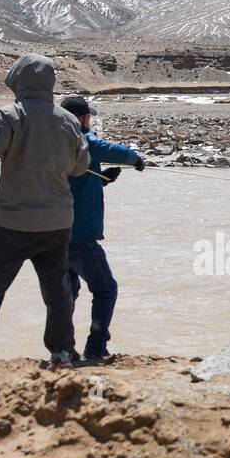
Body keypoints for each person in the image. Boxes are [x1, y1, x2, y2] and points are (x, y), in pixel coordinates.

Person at [0, 54, 89, 369]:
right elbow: (80, 167)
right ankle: (62, 353)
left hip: (15, 223)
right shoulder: (68, 120)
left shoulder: (12, 115)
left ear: (19, 81)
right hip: (58, 223)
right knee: (57, 291)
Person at [58, 95, 145, 363]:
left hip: (54, 234)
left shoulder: (53, 142)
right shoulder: (82, 139)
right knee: (106, 289)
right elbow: (118, 152)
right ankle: (95, 349)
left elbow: (72, 178)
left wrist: (101, 180)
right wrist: (137, 160)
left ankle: (62, 349)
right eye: (88, 117)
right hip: (80, 237)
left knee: (66, 294)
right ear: (83, 118)